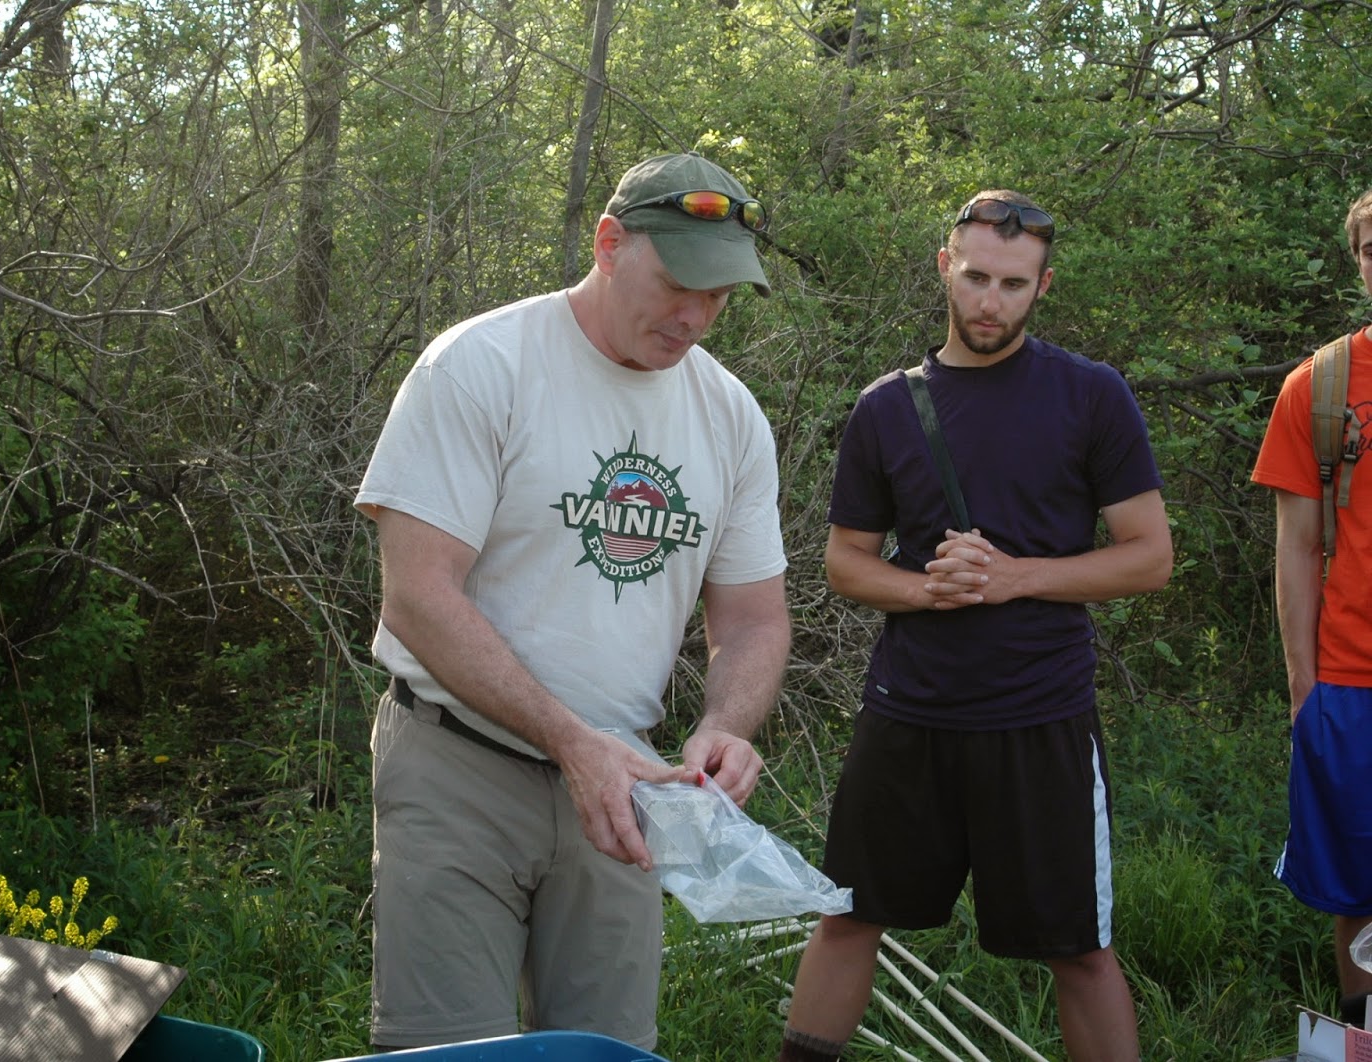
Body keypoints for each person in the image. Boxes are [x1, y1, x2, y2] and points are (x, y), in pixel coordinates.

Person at [353, 152, 792, 1052]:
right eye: (678, 284)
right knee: (452, 1053)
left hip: (625, 788)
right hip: (457, 766)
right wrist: (566, 738)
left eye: (719, 298)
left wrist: (728, 723)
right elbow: (416, 596)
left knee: (608, 1048)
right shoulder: (481, 366)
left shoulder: (732, 416)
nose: (695, 317)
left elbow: (752, 618)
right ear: (608, 243)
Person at [776, 190, 1173, 1062]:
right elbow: (846, 560)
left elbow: (1148, 557)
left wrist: (1015, 579)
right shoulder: (888, 406)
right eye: (977, 277)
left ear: (1043, 286)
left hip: (1041, 716)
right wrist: (927, 591)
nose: (991, 301)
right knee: (847, 916)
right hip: (909, 710)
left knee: (1078, 946)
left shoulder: (1090, 396)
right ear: (944, 267)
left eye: (1014, 284)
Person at [1250, 187, 1372, 1031]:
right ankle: (1364, 1032)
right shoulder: (1323, 385)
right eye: (1371, 250)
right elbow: (1297, 544)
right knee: (1355, 887)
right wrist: (1304, 687)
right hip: (1348, 680)